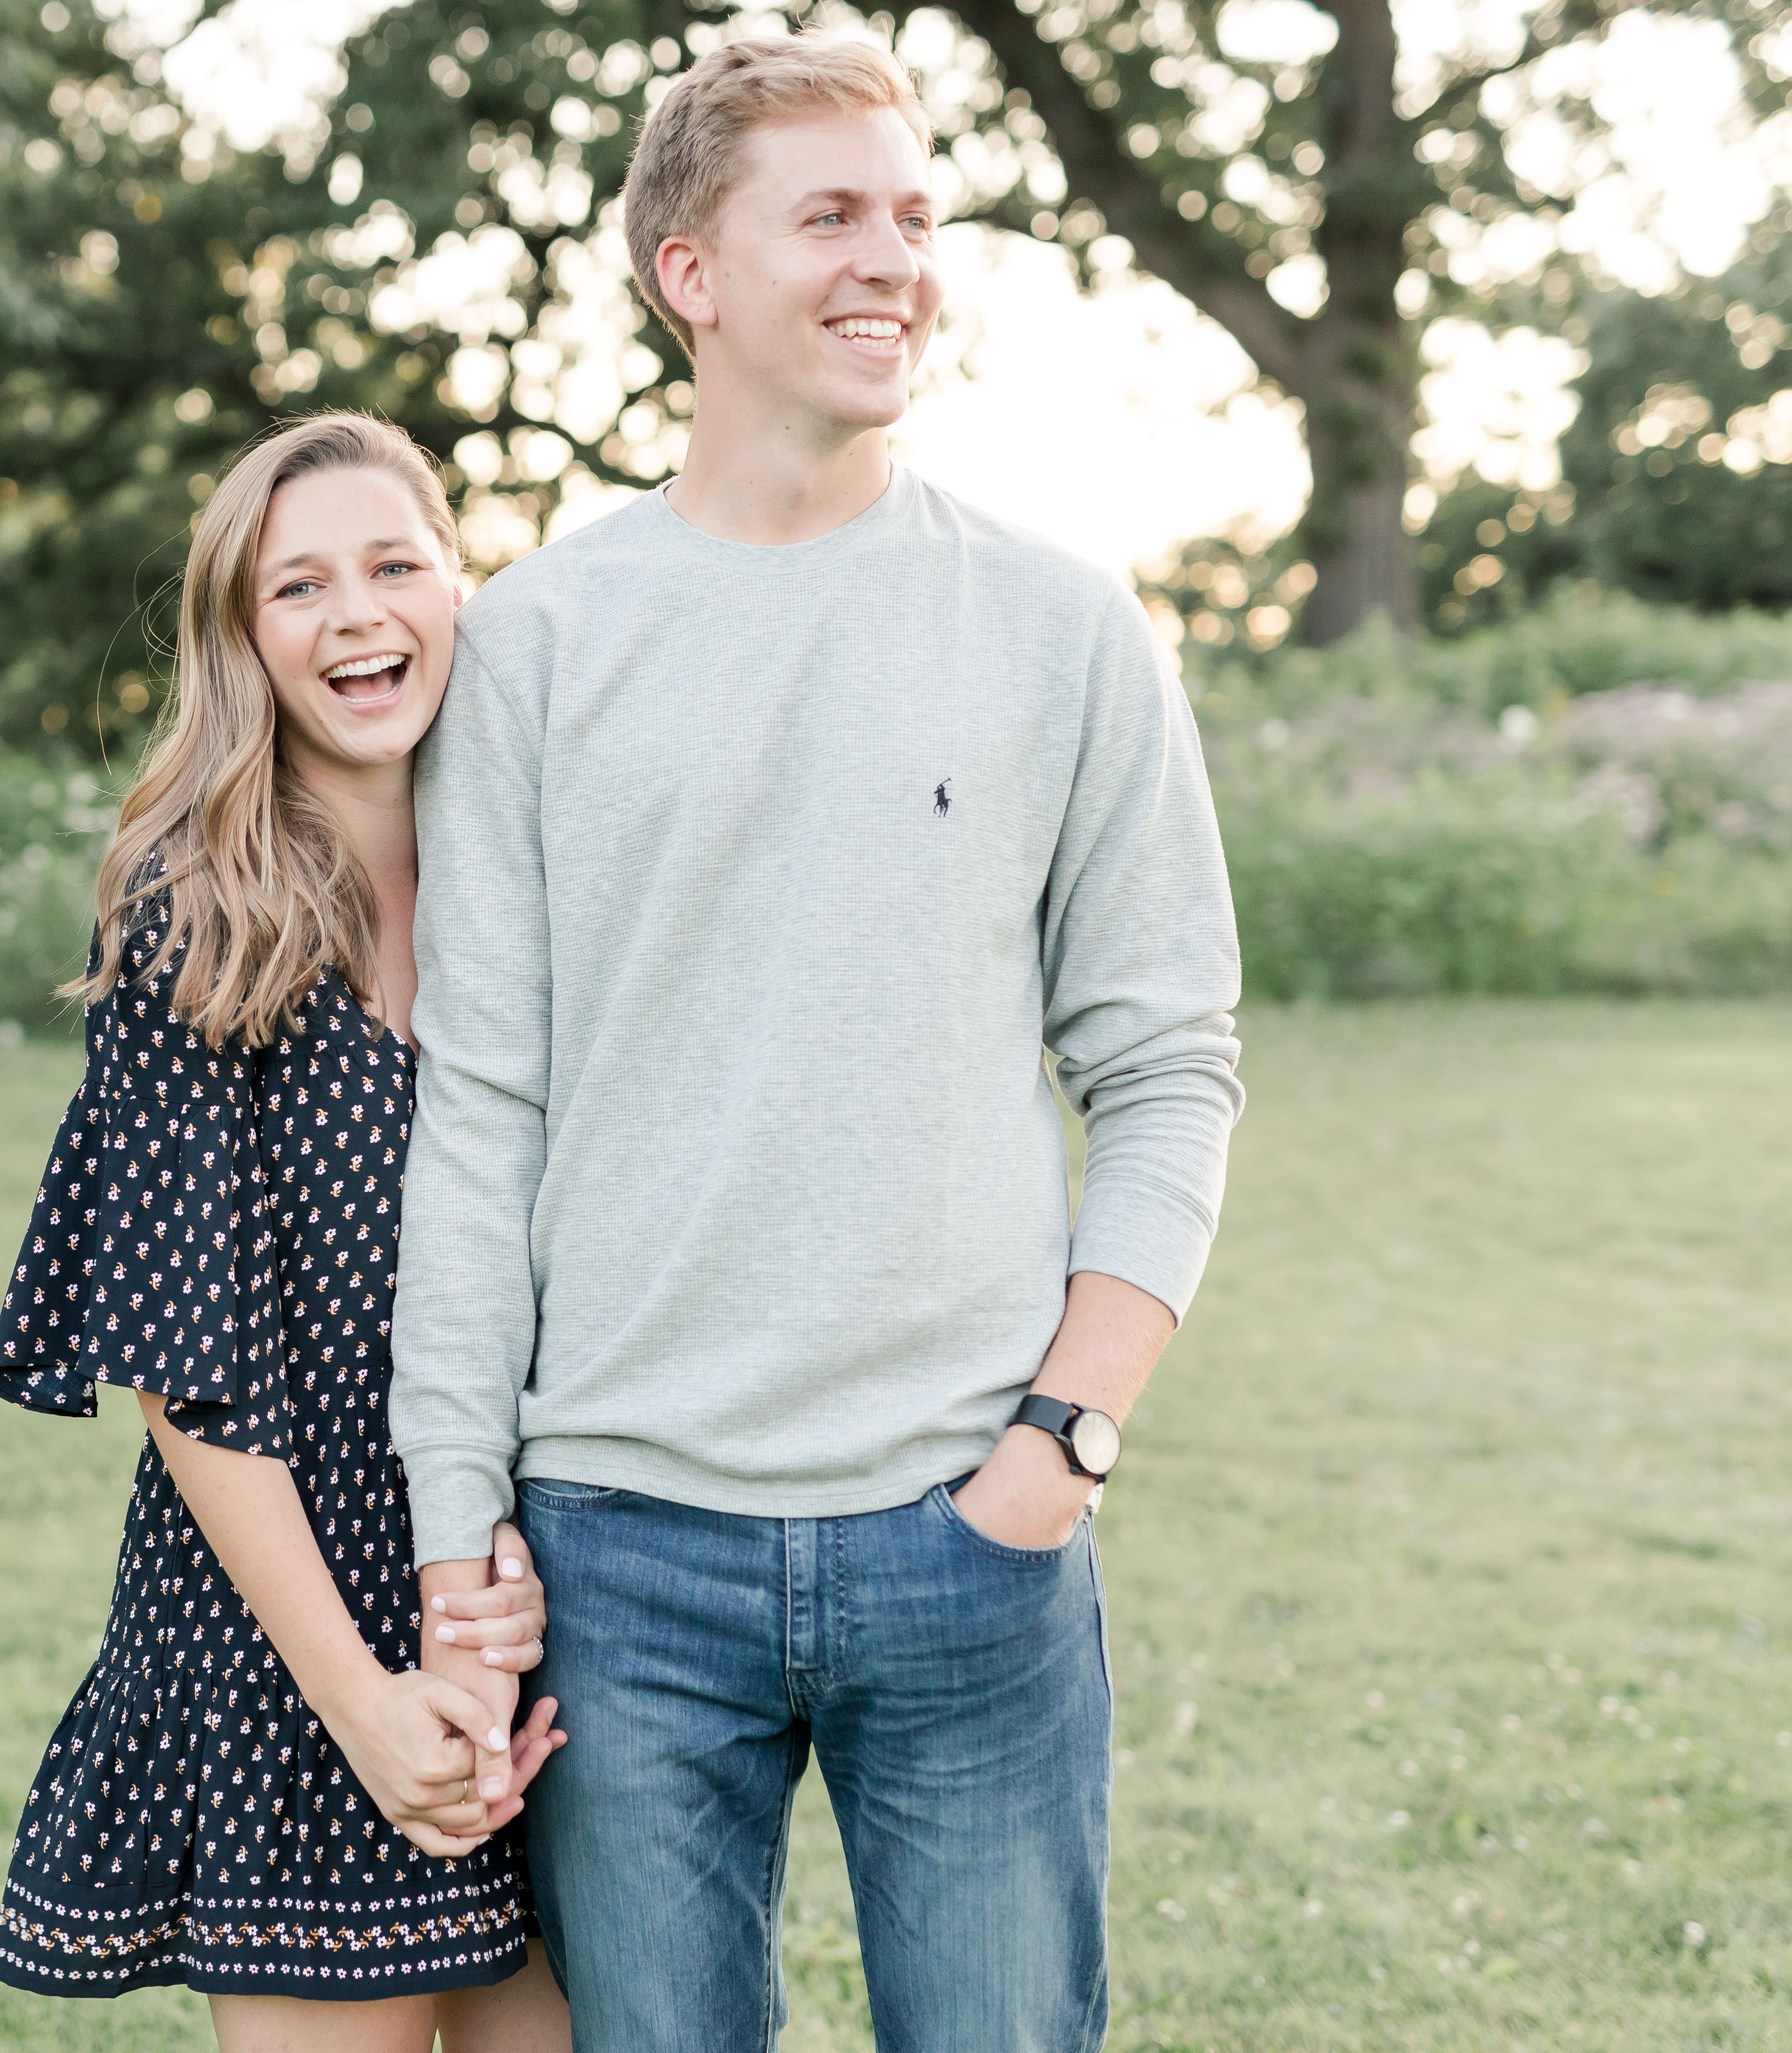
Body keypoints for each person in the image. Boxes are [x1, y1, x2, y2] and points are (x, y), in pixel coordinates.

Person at [390, 30, 1246, 2053]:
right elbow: (478, 1111)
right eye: (834, 215)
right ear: (691, 274)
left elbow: (1167, 1058)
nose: (898, 261)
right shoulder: (532, 643)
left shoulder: (1059, 627)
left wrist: (1063, 1438)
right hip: (616, 1551)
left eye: (918, 216)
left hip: (968, 1531)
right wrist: (455, 1527)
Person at [0, 411, 572, 2053]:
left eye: (395, 564)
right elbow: (190, 1368)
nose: (357, 614)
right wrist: (367, 1704)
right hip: (295, 1628)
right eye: (296, 586)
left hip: (536, 1607)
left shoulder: (541, 882)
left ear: (463, 588)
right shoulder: (198, 910)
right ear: (244, 641)